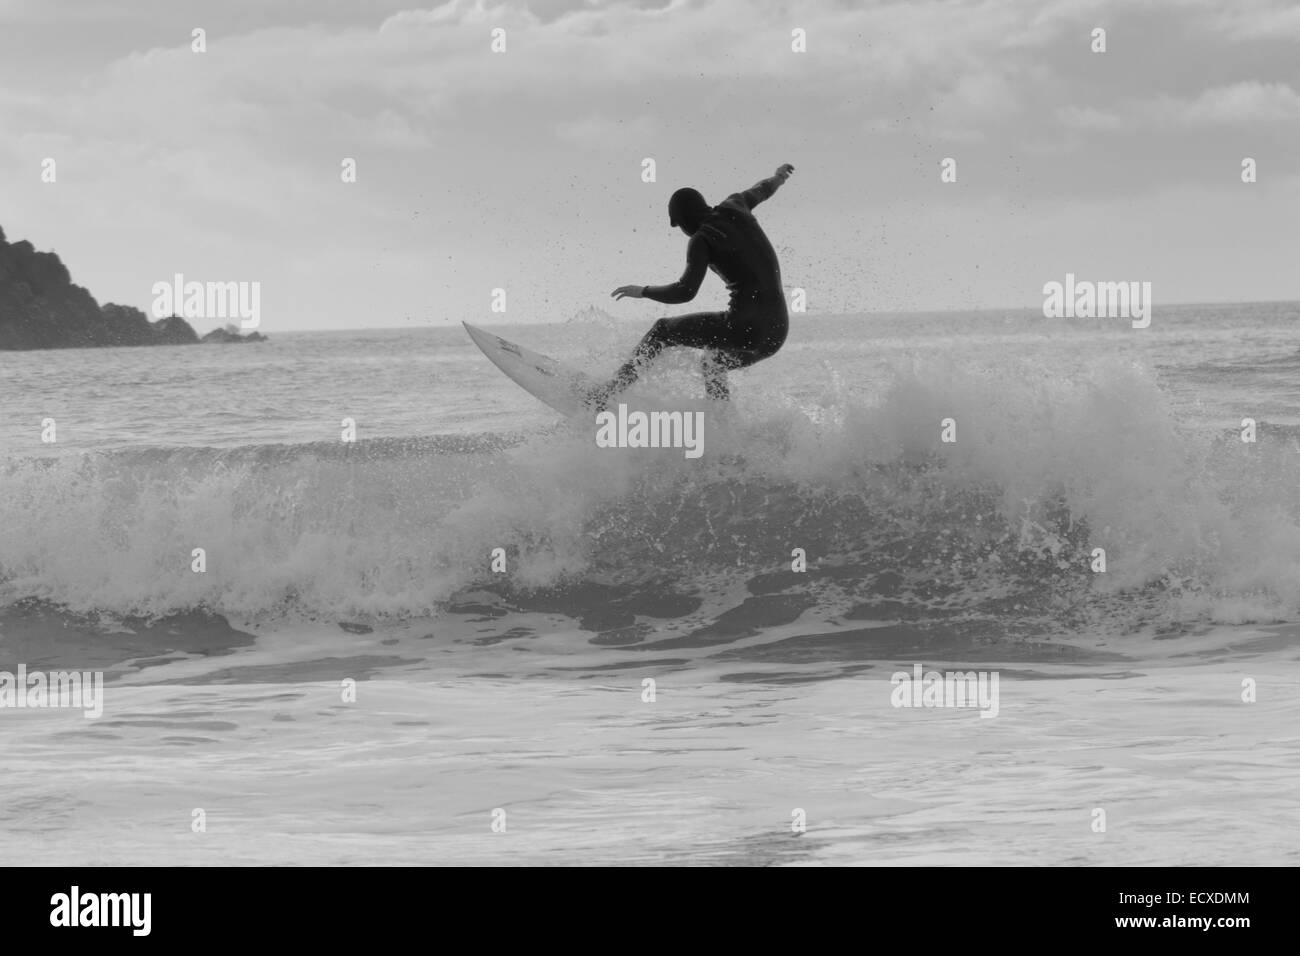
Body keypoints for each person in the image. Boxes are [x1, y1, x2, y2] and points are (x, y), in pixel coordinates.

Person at [588, 164, 795, 409]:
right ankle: (724, 425)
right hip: (777, 332)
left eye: (678, 225)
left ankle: (609, 393)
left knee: (662, 331)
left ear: (683, 220)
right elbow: (761, 190)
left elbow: (685, 291)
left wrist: (643, 291)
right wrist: (778, 178)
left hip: (746, 327)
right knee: (714, 362)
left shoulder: (702, 238)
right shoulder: (736, 204)